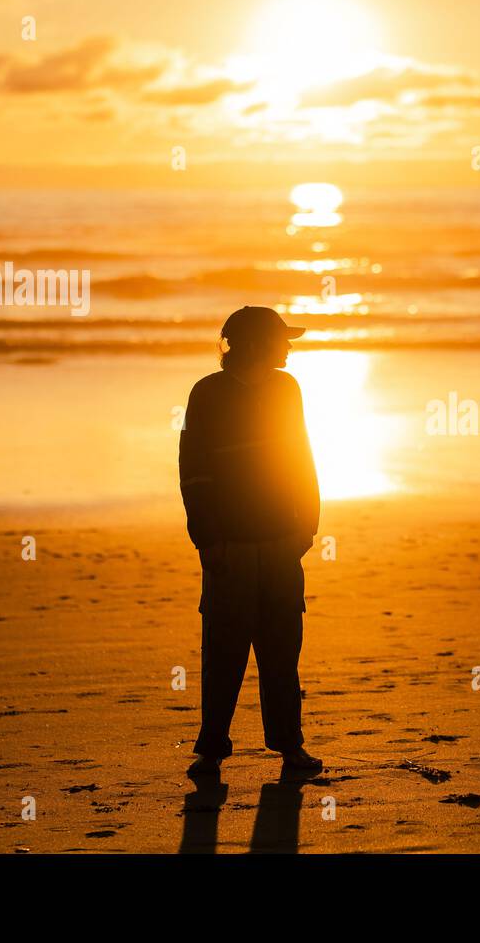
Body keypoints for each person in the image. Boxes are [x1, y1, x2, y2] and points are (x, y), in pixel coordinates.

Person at [179, 305, 322, 778]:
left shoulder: (287, 389)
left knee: (283, 649)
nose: (288, 347)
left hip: (283, 539)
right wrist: (207, 538)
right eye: (282, 339)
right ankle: (212, 750)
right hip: (230, 545)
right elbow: (193, 471)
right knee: (224, 651)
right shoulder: (209, 393)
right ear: (258, 344)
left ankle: (290, 748)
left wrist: (309, 523)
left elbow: (301, 452)